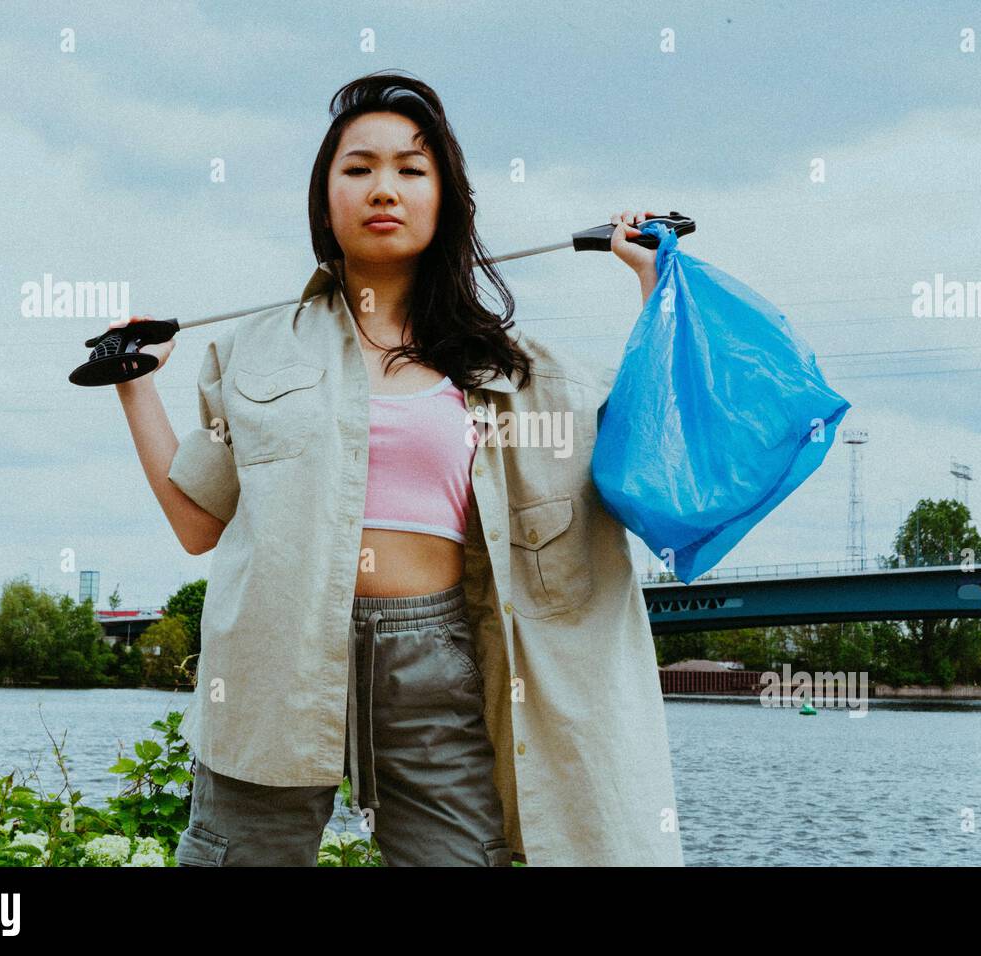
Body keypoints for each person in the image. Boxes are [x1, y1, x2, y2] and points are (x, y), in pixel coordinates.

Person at [112, 70, 683, 866]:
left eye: (412, 170)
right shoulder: (249, 349)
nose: (385, 188)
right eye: (359, 168)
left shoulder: (521, 370)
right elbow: (194, 523)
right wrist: (134, 386)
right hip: (273, 658)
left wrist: (655, 289)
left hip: (435, 655)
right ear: (324, 199)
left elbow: (655, 467)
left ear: (446, 200)